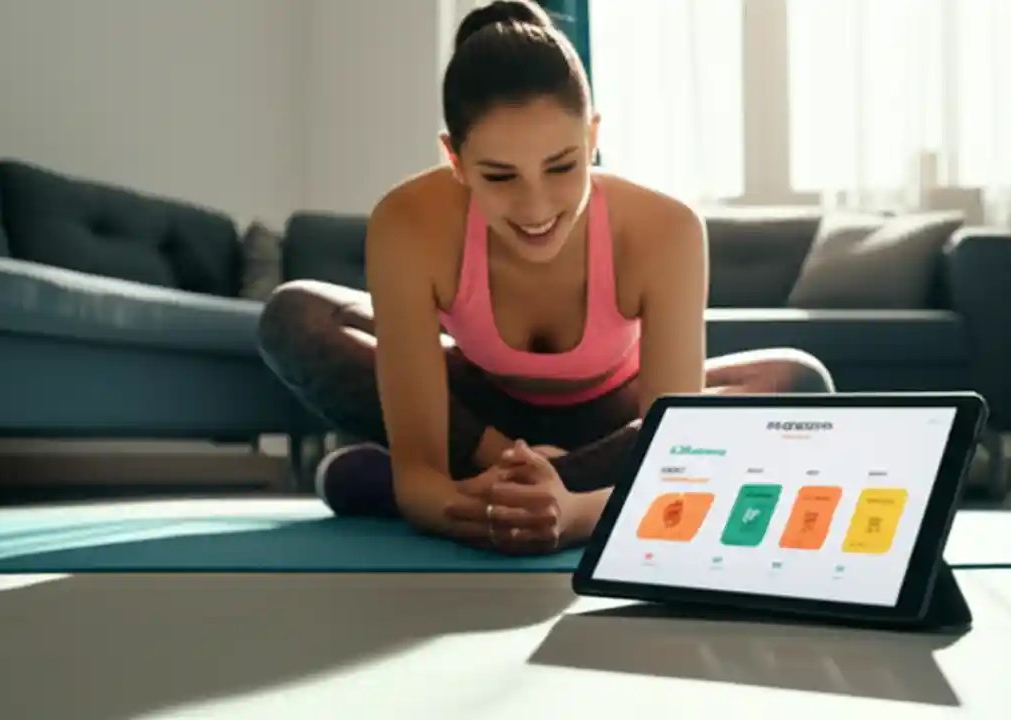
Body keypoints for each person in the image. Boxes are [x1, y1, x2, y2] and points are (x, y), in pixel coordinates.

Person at [257, 0, 835, 556]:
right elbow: (420, 478)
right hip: (478, 407)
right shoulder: (408, 221)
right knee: (297, 315)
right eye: (500, 176)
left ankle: (490, 480)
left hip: (615, 416)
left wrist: (573, 515)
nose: (536, 208)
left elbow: (673, 462)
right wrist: (437, 495)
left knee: (798, 383)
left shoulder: (667, 228)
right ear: (454, 161)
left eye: (561, 166)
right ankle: (514, 476)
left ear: (592, 138)